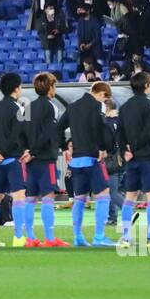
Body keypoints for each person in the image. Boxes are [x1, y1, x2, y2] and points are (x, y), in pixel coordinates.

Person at [60, 79, 115, 247]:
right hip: (92, 158)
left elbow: (58, 127)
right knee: (104, 194)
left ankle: (78, 237)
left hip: (76, 160)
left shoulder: (72, 106)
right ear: (101, 94)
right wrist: (104, 147)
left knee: (80, 198)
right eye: (105, 100)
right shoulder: (97, 107)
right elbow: (100, 129)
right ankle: (99, 236)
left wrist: (64, 147)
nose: (105, 103)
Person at [0, 72, 30, 248]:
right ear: (16, 88)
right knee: (19, 197)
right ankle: (18, 237)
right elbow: (18, 135)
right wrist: (3, 151)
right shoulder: (18, 109)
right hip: (12, 160)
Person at [118, 72, 150, 247]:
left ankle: (126, 237)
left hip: (131, 159)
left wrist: (124, 151)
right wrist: (135, 149)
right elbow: (149, 131)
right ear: (146, 85)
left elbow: (119, 132)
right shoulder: (149, 105)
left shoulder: (124, 107)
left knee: (130, 197)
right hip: (147, 156)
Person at [25, 71, 67, 247]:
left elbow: (22, 131)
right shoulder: (52, 107)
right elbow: (49, 133)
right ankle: (49, 238)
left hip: (29, 159)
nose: (55, 89)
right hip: (44, 158)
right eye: (54, 85)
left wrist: (26, 151)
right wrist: (34, 151)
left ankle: (29, 237)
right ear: (49, 87)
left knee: (30, 198)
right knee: (48, 197)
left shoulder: (27, 107)